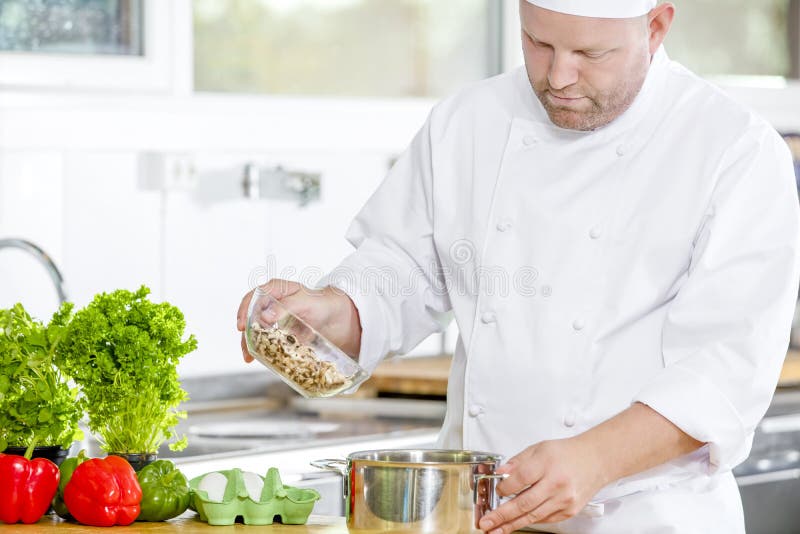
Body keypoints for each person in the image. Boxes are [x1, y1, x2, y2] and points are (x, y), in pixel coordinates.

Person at [238, 0, 800, 532]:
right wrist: (332, 313)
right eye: (538, 41)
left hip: (646, 520)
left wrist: (594, 458)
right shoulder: (469, 120)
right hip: (477, 515)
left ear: (655, 27)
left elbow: (724, 370)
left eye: (591, 54)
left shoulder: (734, 150)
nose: (558, 76)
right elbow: (404, 270)